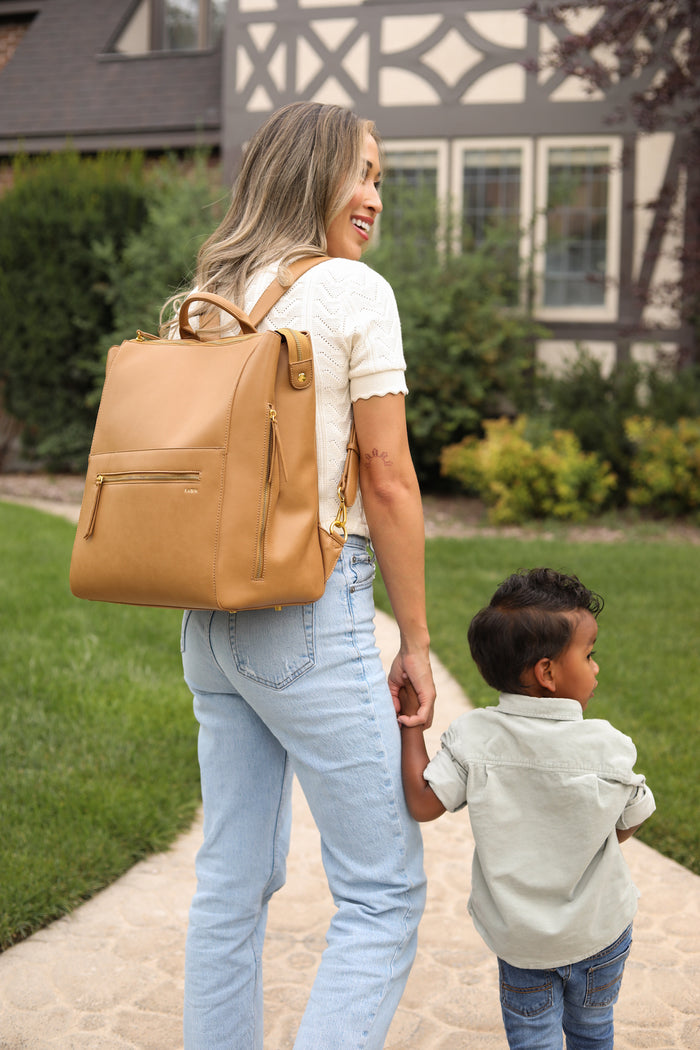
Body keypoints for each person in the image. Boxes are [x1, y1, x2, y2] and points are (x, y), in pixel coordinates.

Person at [172, 102, 436, 1049]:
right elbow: (388, 476)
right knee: (383, 892)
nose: (374, 197)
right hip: (307, 611)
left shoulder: (214, 292)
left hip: (211, 620)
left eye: (381, 180)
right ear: (309, 172)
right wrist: (415, 641)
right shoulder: (355, 291)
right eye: (360, 173)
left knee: (230, 884)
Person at [398, 567, 655, 1050]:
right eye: (589, 654)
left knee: (533, 1040)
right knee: (593, 1031)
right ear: (547, 673)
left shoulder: (475, 738)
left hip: (523, 944)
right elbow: (633, 817)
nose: (597, 667)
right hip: (599, 932)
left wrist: (412, 724)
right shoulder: (607, 746)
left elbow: (422, 802)